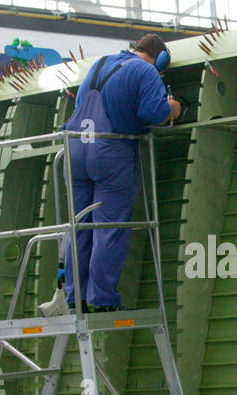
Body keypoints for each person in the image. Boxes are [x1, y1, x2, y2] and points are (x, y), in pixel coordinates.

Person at [60, 33, 181, 312]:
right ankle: (102, 300)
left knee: (79, 228)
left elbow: (81, 103)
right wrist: (172, 108)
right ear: (160, 59)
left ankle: (74, 298)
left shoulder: (100, 64)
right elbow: (154, 112)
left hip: (75, 150)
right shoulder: (146, 71)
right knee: (109, 228)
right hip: (110, 152)